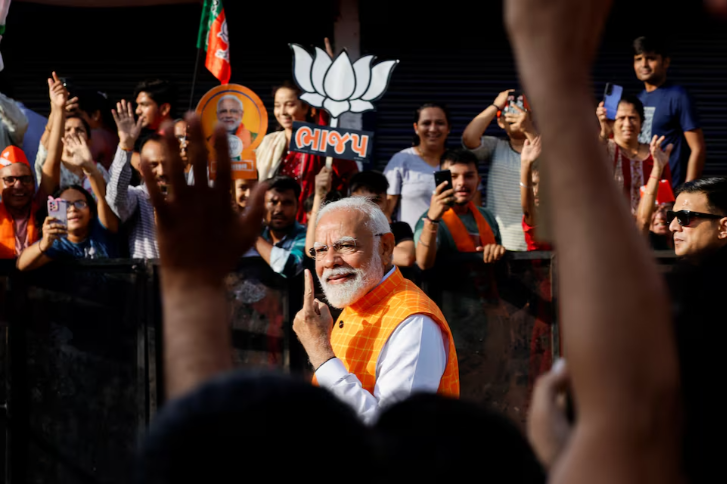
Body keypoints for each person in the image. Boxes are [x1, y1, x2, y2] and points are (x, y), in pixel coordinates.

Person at [506, 0, 681, 481]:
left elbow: (644, 226)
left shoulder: (646, 168)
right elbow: (537, 219)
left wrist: (551, 70)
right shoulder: (576, 187)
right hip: (557, 318)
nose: (622, 125)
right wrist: (528, 163)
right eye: (614, 119)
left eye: (630, 119)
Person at [294, 196, 459, 424]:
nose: (330, 261)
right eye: (321, 250)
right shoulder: (359, 298)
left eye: (345, 245)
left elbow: (394, 431)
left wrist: (320, 353)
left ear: (385, 248)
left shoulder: (414, 322)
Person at [255, 80, 357, 223]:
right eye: (277, 106)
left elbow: (351, 176)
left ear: (306, 107)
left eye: (290, 105)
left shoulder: (321, 140)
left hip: (313, 220)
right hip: (275, 222)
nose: (282, 112)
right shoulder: (268, 142)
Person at [17, 132, 120, 270]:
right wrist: (44, 244)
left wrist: (88, 166)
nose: (72, 209)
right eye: (65, 205)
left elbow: (101, 197)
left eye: (80, 203)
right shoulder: (59, 243)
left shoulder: (102, 229)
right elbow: (21, 266)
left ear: (91, 213)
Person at [462, 90, 539, 251]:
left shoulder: (545, 145)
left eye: (520, 111)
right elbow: (469, 138)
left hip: (537, 240)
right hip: (500, 243)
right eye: (507, 112)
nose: (514, 115)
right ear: (500, 122)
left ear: (531, 117)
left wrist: (529, 130)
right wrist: (496, 105)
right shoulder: (496, 147)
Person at [0, 74, 67, 259]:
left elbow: (52, 158)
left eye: (25, 179)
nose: (18, 186)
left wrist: (59, 110)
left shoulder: (42, 208)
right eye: (9, 180)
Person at [306, 168, 415, 268]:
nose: (369, 207)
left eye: (376, 201)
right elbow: (312, 248)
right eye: (361, 201)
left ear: (388, 202)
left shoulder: (400, 228)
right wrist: (319, 195)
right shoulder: (342, 230)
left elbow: (406, 258)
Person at [414, 149, 504, 271]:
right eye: (453, 177)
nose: (462, 183)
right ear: (441, 181)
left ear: (478, 181)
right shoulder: (429, 219)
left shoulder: (487, 216)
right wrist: (432, 220)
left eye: (469, 176)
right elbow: (424, 263)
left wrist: (497, 251)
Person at [633, 36, 705, 186]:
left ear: (665, 62)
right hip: (643, 189)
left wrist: (687, 190)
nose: (644, 64)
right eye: (638, 59)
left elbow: (697, 148)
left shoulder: (677, 96)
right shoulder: (637, 100)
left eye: (650, 58)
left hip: (670, 190)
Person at [596, 94, 672, 214]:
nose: (627, 124)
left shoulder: (654, 153)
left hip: (647, 228)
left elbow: (664, 199)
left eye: (632, 118)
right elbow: (589, 167)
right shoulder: (605, 148)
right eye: (621, 118)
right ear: (612, 121)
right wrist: (604, 132)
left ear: (641, 122)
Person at [105, 100, 160, 259]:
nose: (161, 171)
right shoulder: (138, 197)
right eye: (153, 165)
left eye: (167, 163)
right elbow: (115, 197)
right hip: (146, 281)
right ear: (142, 169)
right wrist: (126, 147)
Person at [383, 102, 451, 232]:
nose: (433, 129)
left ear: (448, 128)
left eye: (440, 123)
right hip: (412, 245)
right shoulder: (401, 160)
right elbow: (386, 210)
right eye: (426, 123)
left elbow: (474, 209)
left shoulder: (457, 163)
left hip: (455, 247)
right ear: (416, 128)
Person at [34, 113, 110, 200]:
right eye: (67, 129)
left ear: (89, 141)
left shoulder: (98, 169)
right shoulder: (51, 165)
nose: (73, 133)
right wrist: (58, 109)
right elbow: (44, 146)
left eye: (79, 130)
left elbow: (107, 200)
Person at [254, 176, 307, 278]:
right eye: (273, 202)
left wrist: (253, 237)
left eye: (287, 203)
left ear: (297, 207)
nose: (279, 210)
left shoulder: (305, 237)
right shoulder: (259, 232)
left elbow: (291, 266)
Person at [635, 135, 674, 250]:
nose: (661, 217)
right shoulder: (638, 246)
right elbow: (643, 222)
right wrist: (657, 168)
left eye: (666, 209)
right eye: (654, 210)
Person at [519, 136, 551, 251]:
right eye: (533, 184)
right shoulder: (534, 218)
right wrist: (525, 165)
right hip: (538, 269)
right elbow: (527, 209)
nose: (537, 191)